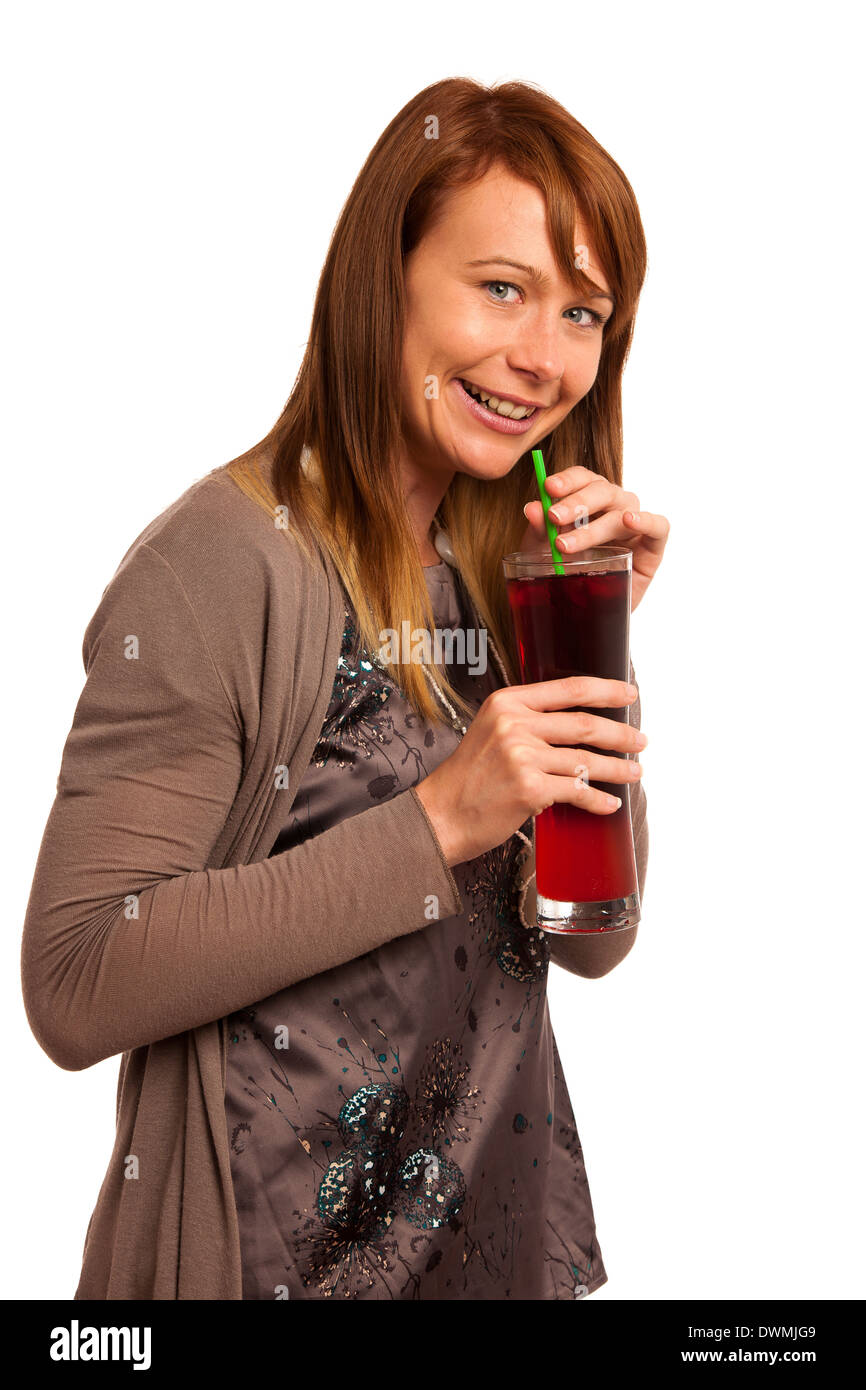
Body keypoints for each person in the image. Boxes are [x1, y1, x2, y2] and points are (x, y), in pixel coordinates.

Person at [21, 76, 670, 1300]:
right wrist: (438, 823)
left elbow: (593, 941)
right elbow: (71, 976)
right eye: (501, 288)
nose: (542, 356)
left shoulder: (496, 569)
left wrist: (595, 653)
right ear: (388, 274)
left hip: (490, 1263)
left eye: (584, 313)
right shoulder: (223, 558)